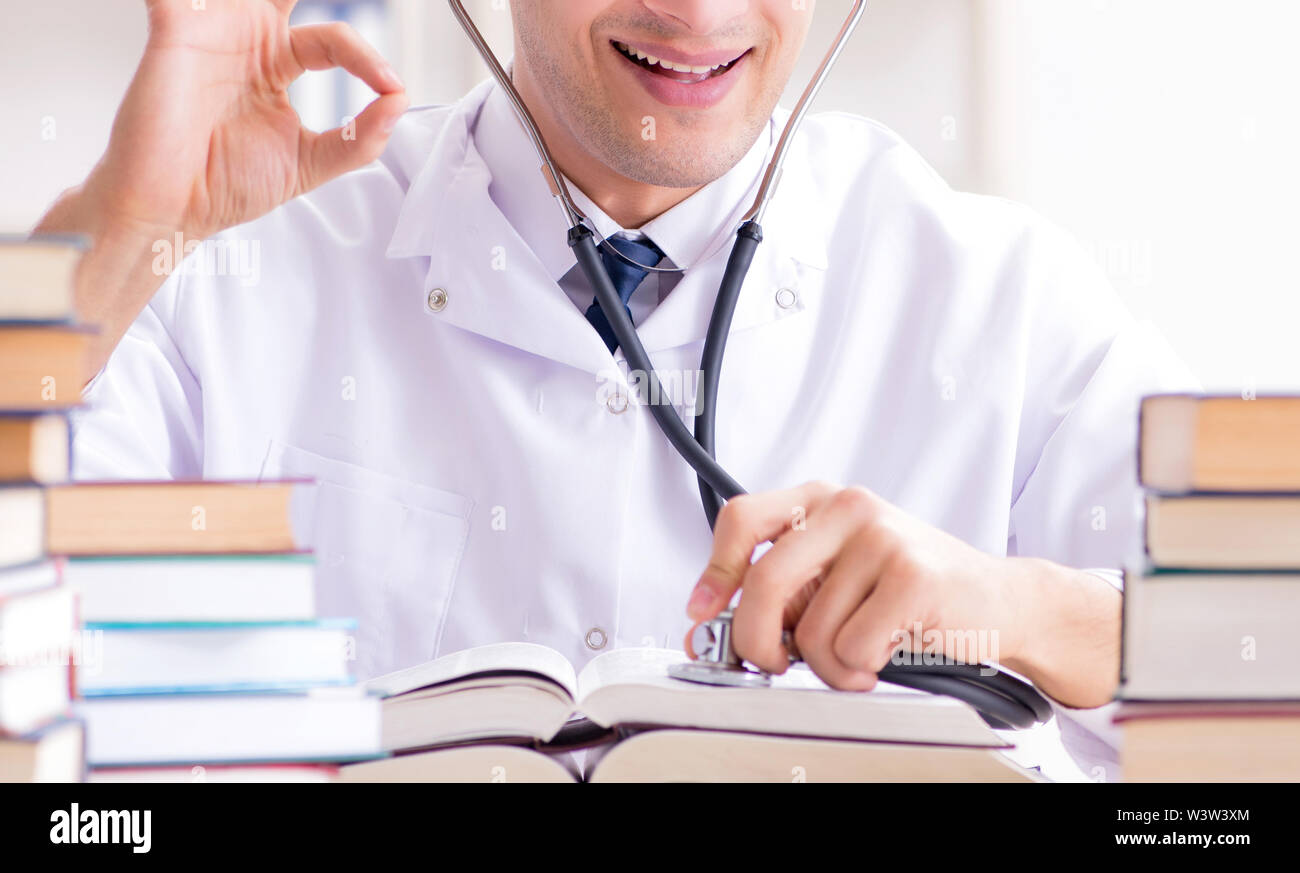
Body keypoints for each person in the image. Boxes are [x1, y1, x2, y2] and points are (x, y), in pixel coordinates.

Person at [38, 0, 1194, 775]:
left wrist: (1024, 613)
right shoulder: (215, 278)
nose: (695, 12)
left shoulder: (1007, 306)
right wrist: (122, 228)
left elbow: (1261, 678)